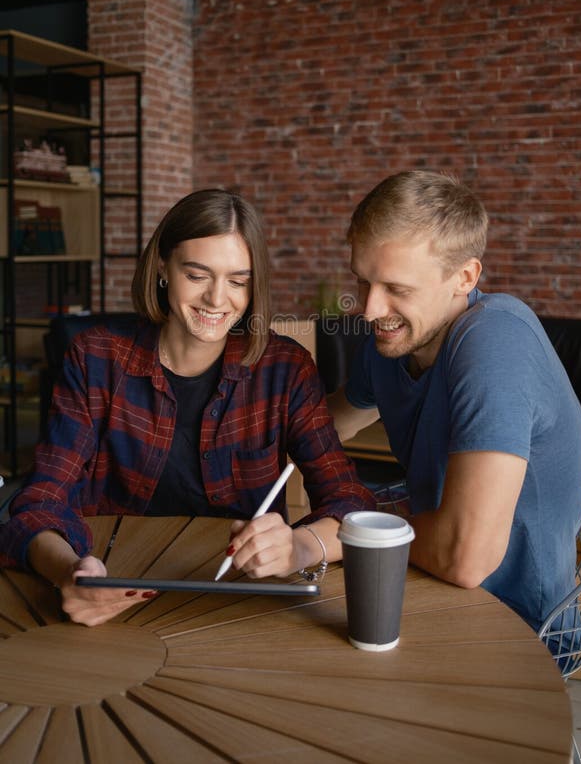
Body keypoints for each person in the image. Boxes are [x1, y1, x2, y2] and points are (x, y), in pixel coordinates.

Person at [0, 188, 374, 626]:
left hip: (238, 603)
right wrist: (69, 572)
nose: (217, 300)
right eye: (197, 275)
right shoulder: (95, 358)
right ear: (163, 266)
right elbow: (37, 502)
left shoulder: (285, 369)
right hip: (109, 590)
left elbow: (350, 505)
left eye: (238, 281)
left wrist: (300, 547)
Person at [329, 170, 581, 635]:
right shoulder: (393, 339)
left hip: (517, 624)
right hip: (429, 587)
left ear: (464, 276)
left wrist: (335, 531)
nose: (368, 310)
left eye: (397, 289)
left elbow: (466, 558)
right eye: (363, 281)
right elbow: (332, 422)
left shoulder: (495, 338)